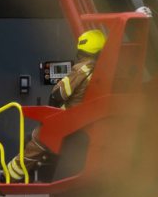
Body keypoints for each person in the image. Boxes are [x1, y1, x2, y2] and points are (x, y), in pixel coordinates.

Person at [13, 28, 106, 181]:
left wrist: (49, 118)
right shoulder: (102, 71)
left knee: (33, 140)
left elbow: (58, 94)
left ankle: (11, 177)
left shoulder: (82, 69)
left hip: (68, 122)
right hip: (85, 123)